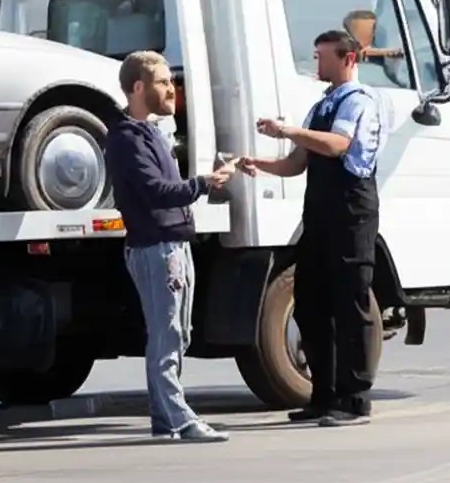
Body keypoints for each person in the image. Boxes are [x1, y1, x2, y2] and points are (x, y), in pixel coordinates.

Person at [238, 30, 388, 428]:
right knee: (311, 301)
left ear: (348, 59)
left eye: (323, 56)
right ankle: (323, 394)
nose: (317, 63)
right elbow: (298, 162)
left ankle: (354, 399)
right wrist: (258, 165)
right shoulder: (322, 104)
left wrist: (287, 130)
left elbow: (338, 146)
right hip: (320, 212)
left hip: (351, 209)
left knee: (349, 301)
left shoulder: (359, 101)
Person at [104, 50, 235, 442]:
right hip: (157, 248)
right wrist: (203, 183)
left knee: (178, 334)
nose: (171, 88)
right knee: (167, 336)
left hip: (173, 244)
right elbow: (155, 191)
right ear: (139, 87)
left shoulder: (151, 132)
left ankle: (164, 419)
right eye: (162, 82)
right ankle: (180, 418)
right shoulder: (127, 138)